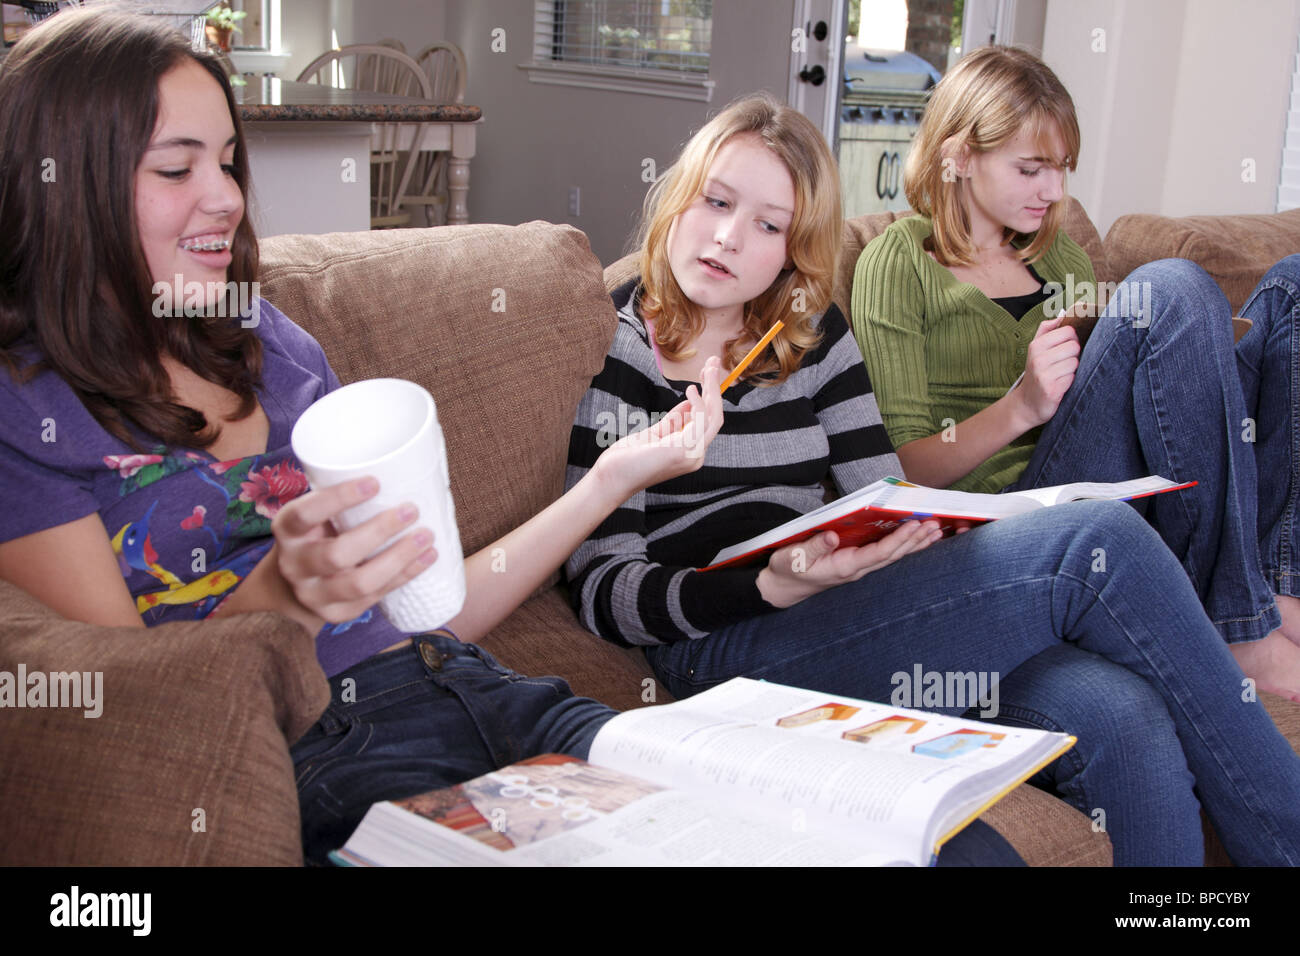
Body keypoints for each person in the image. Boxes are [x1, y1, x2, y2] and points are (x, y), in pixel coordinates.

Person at [0, 8, 1024, 867]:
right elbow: (136, 718)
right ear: (65, 182)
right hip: (325, 745)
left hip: (481, 684)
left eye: (228, 159)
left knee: (915, 831)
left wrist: (610, 478)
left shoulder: (271, 342)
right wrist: (282, 592)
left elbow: (436, 598)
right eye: (178, 167)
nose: (226, 195)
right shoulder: (22, 408)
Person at [565, 91, 1300, 865]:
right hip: (718, 649)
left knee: (1124, 713)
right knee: (1097, 540)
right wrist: (769, 586)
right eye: (716, 201)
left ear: (793, 247)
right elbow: (601, 587)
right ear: (679, 195)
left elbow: (885, 493)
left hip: (851, 612)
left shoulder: (810, 336)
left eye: (768, 224)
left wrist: (919, 538)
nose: (727, 237)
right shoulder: (620, 351)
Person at [849, 45, 1300, 702]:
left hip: (1116, 493)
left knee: (1291, 288)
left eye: (1061, 168)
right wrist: (1021, 407)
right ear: (959, 156)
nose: (1054, 190)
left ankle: (1274, 587)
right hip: (1007, 518)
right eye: (1030, 168)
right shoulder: (898, 263)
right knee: (1168, 288)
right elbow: (899, 472)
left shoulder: (1059, 259)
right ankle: (1241, 625)